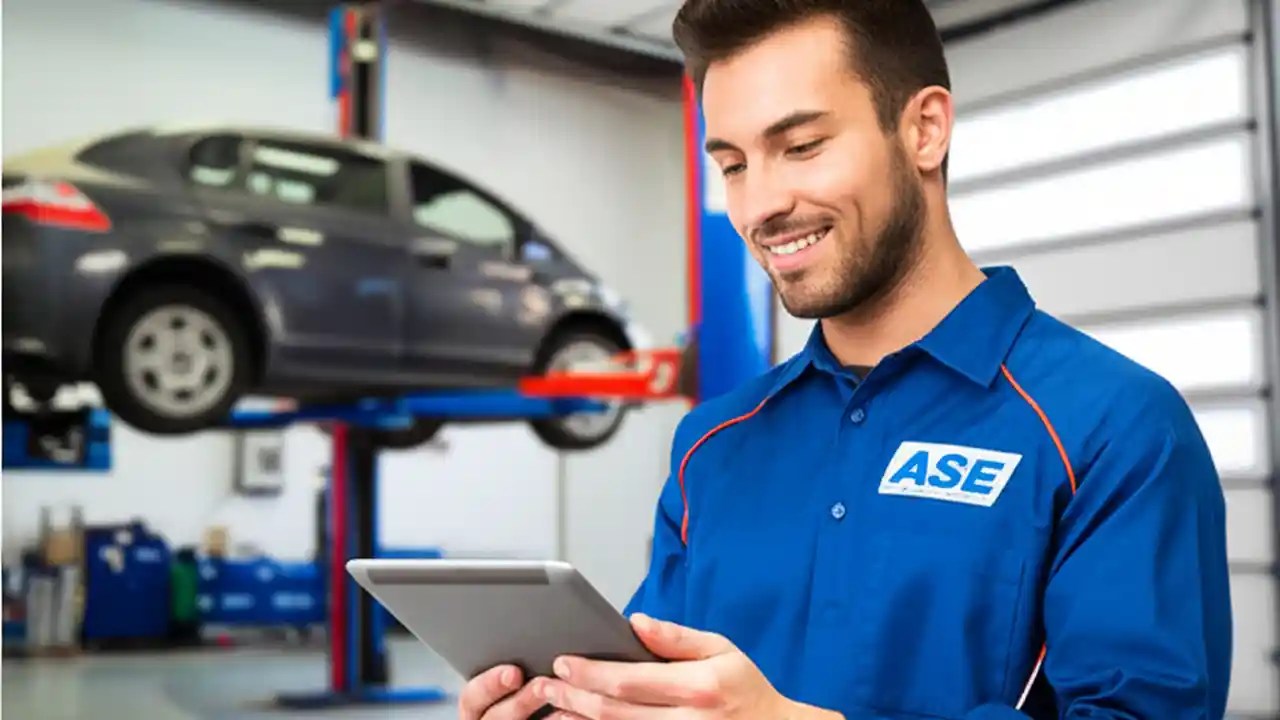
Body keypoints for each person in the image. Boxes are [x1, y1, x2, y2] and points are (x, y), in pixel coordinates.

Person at [459, 0, 1234, 718]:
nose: (760, 205)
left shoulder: (1111, 427)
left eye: (801, 147)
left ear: (924, 130)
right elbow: (664, 691)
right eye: (733, 165)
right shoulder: (713, 445)